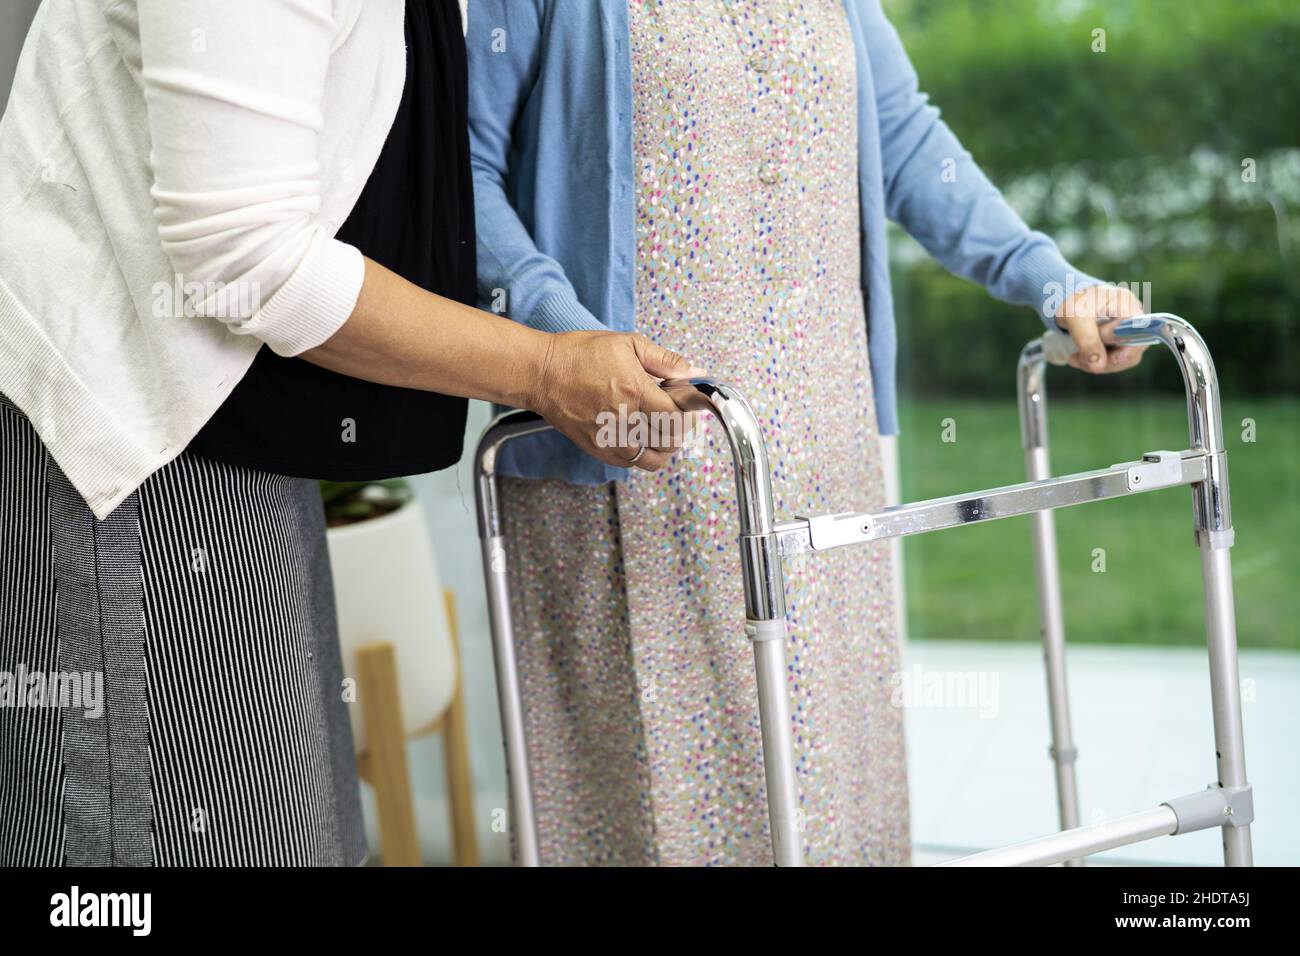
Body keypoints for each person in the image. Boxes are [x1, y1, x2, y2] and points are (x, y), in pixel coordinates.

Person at [0, 0, 693, 866]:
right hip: (132, 429)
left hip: (237, 424)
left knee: (298, 835)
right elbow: (244, 254)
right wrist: (545, 368)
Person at [467, 0, 1148, 865]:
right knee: (666, 808)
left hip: (824, 457)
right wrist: (560, 332)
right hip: (634, 453)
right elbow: (464, 172)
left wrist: (1049, 278)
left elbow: (906, 143)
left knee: (830, 787)